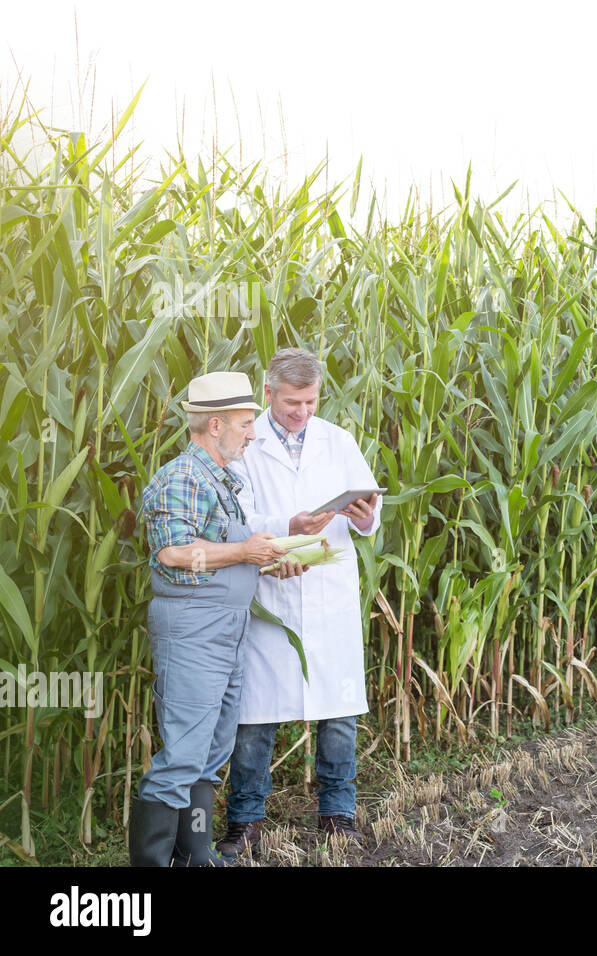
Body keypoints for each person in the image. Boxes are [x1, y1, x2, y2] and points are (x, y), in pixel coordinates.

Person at [131, 371, 306, 867]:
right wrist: (244, 550)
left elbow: (228, 551)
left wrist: (269, 558)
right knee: (182, 756)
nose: (253, 433)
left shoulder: (222, 479)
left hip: (228, 629)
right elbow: (173, 554)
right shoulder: (181, 476)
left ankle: (197, 855)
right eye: (246, 423)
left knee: (209, 754)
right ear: (214, 425)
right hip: (194, 629)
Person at [217, 348, 382, 859]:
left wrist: (363, 517)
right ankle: (244, 821)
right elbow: (236, 519)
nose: (302, 413)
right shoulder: (247, 444)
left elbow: (370, 518)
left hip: (328, 593)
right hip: (270, 589)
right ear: (268, 394)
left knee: (338, 710)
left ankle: (338, 814)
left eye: (310, 402)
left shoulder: (339, 441)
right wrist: (289, 529)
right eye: (292, 403)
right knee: (256, 713)